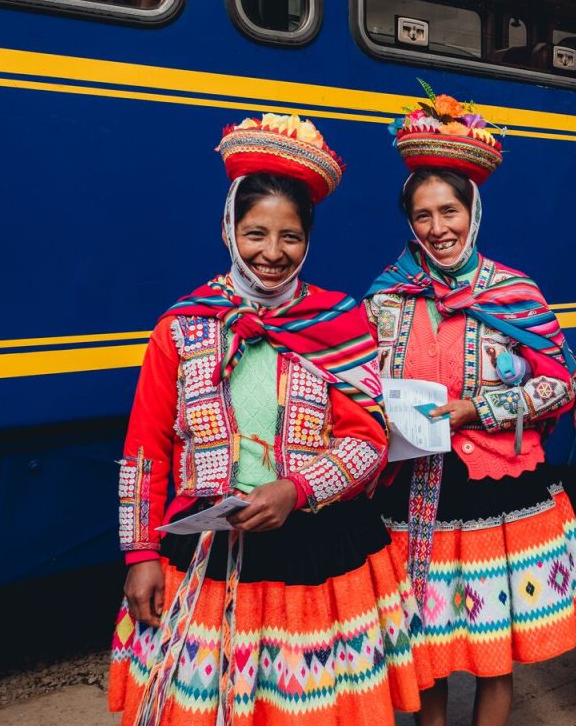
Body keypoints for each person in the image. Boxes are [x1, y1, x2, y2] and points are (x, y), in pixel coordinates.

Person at [109, 114, 428, 726]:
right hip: (202, 551)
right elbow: (145, 448)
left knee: (309, 710)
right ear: (229, 229)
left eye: (291, 238)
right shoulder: (184, 327)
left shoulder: (338, 325)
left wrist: (296, 489)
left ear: (308, 241)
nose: (273, 253)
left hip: (317, 555)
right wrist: (141, 553)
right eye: (256, 233)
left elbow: (369, 440)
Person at [365, 88, 576, 726]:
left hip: (497, 491)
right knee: (427, 643)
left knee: (496, 649)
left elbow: (563, 383)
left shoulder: (514, 292)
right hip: (415, 492)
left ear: (473, 212)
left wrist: (477, 410)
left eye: (449, 211)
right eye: (423, 216)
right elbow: (361, 387)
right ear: (408, 222)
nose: (438, 228)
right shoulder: (386, 300)